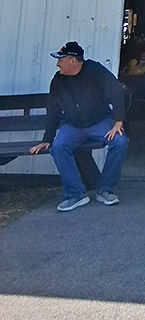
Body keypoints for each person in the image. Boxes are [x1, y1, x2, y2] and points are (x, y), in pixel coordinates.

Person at [29, 41, 128, 212]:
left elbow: (116, 90)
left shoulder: (94, 70)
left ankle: (105, 189)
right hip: (73, 126)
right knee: (58, 147)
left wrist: (118, 121)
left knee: (120, 142)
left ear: (72, 60)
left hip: (100, 122)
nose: (57, 63)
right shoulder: (58, 80)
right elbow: (53, 110)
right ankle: (75, 194)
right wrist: (47, 139)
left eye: (60, 59)